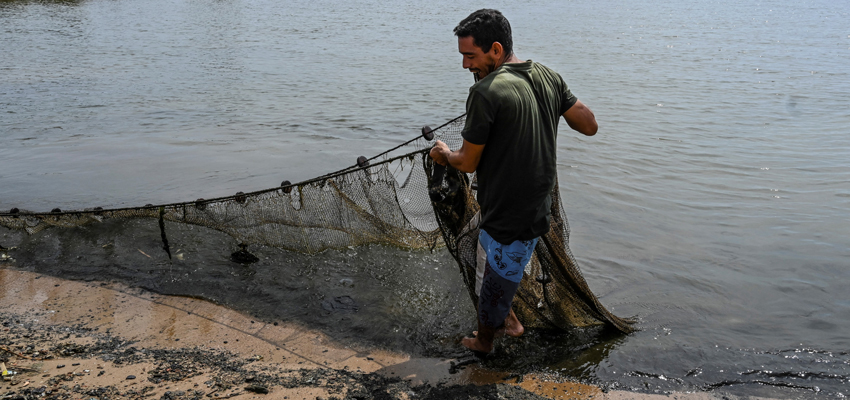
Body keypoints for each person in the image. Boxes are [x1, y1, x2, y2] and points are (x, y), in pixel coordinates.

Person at [429, 9, 598, 354]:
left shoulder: (485, 92)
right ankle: (507, 319)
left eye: (470, 56)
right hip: (534, 206)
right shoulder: (547, 76)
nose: (465, 65)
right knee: (481, 255)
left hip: (512, 215)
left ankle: (486, 341)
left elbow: (467, 162)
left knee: (494, 283)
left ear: (495, 49)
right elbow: (589, 125)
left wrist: (444, 154)